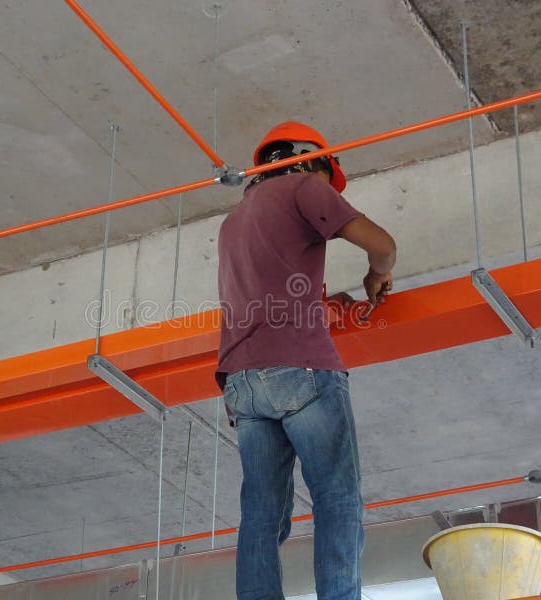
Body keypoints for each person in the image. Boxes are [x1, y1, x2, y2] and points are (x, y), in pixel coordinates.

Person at [216, 121, 397, 600]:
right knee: (336, 498)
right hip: (300, 368)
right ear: (311, 160)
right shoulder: (303, 186)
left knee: (261, 514)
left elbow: (268, 291)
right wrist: (376, 275)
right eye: (327, 174)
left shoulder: (233, 221)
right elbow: (383, 246)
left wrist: (316, 302)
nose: (326, 187)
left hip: (242, 383)